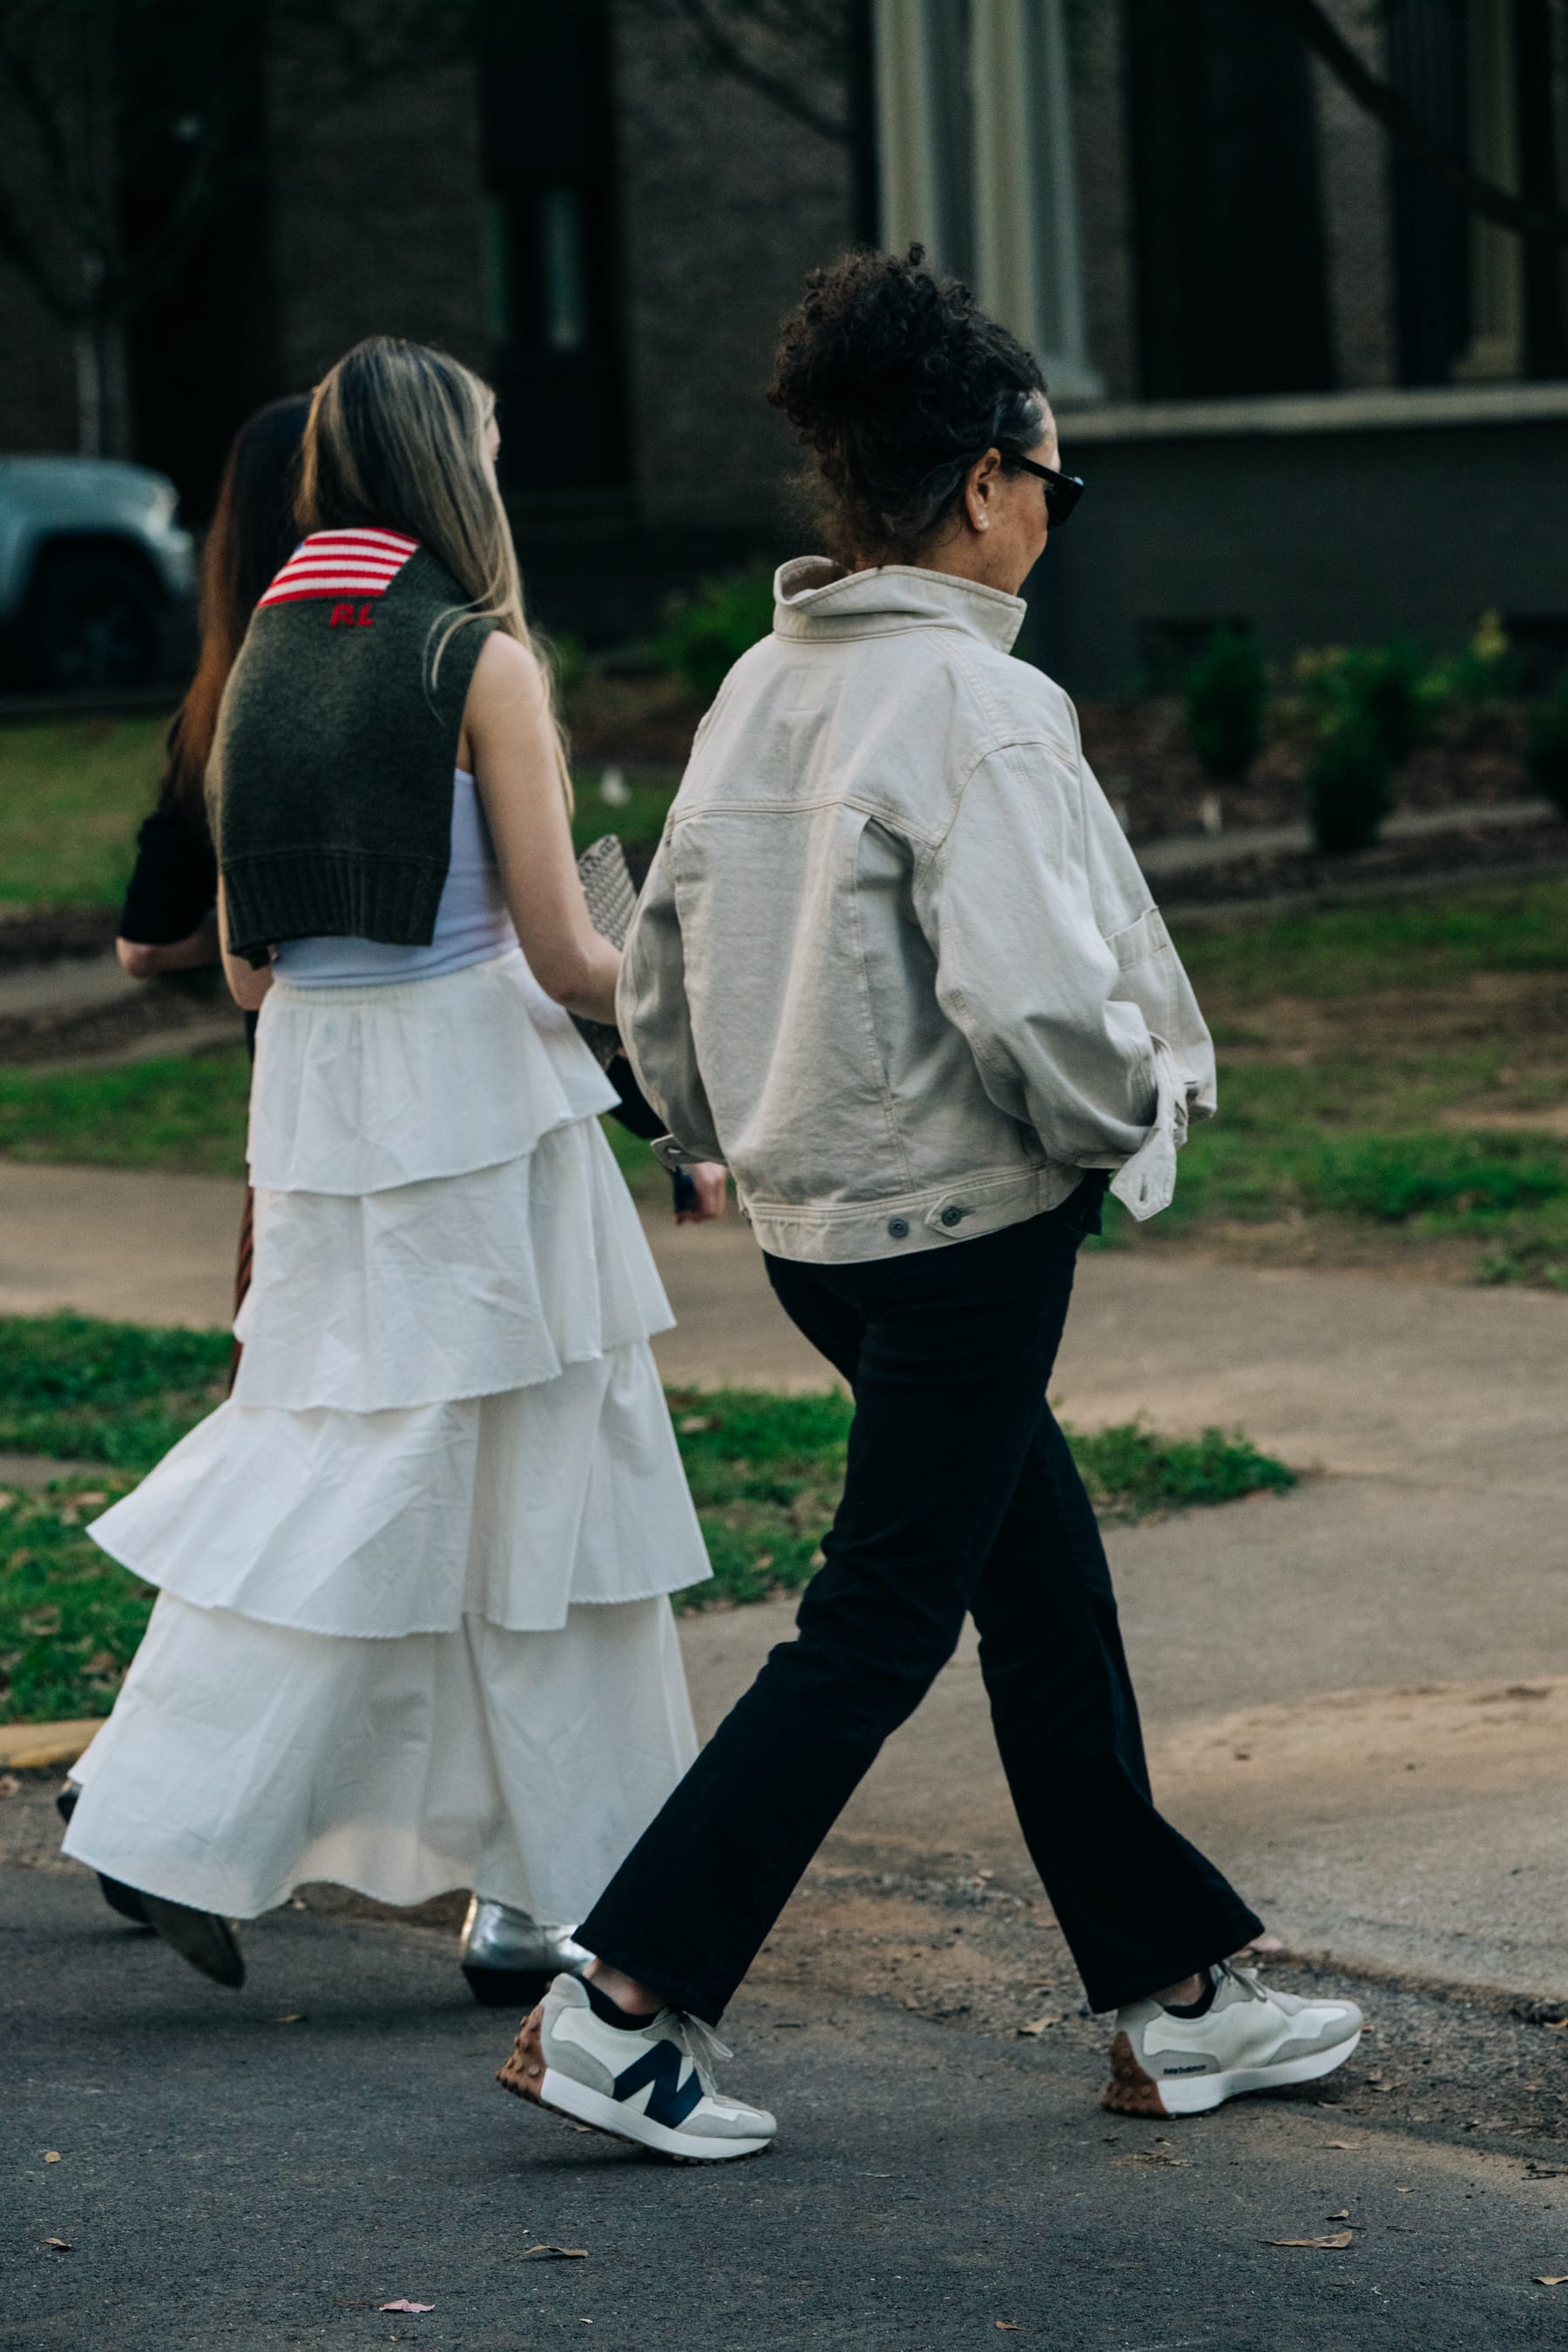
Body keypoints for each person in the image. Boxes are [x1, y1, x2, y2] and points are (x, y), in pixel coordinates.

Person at [500, 250, 1362, 2159]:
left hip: (824, 1237)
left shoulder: (760, 685)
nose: (1056, 511)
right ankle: (621, 1998)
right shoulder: (976, 710)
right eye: (1057, 476)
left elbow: (654, 976)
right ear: (981, 478)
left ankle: (1177, 1998)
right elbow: (1048, 1004)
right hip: (964, 1233)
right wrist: (1125, 1124)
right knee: (881, 1624)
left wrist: (711, 1134)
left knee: (1042, 1599)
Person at [61, 335, 713, 2001]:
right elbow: (573, 956)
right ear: (447, 466)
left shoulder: (265, 648)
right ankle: (543, 1884)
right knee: (541, 1500)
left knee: (351, 1455)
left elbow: (248, 971)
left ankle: (248, 1823)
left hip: (324, 1108)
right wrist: (698, 1024)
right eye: (489, 446)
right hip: (475, 1110)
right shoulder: (475, 659)